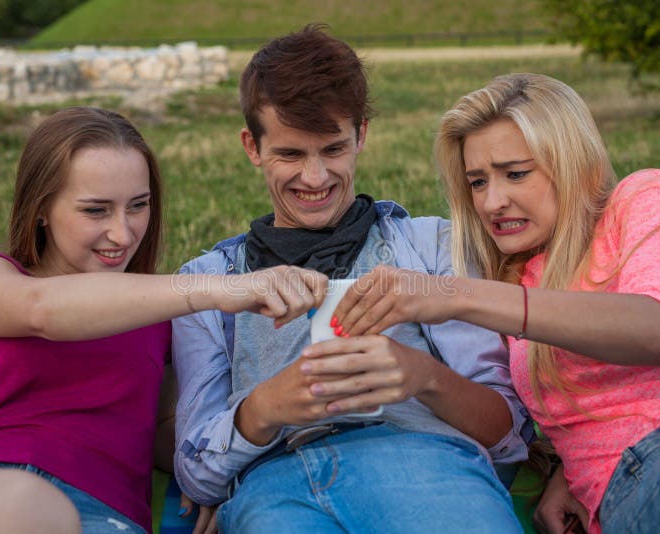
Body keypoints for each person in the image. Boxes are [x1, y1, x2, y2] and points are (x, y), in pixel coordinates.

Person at [171, 25, 531, 533]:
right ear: (252, 147)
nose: (314, 178)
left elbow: (508, 435)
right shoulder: (210, 283)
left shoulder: (430, 248)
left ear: (361, 135)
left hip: (423, 463)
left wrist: (421, 376)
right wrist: (266, 407)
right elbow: (195, 473)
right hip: (277, 484)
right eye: (290, 155)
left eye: (333, 150)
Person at [331, 73, 660, 534]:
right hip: (645, 485)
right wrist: (566, 465)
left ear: (572, 163)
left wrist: (456, 295)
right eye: (477, 182)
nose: (493, 201)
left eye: (516, 173)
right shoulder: (508, 279)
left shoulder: (642, 200)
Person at [0, 106, 326, 534]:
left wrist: (215, 482)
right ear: (40, 209)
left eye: (138, 205)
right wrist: (218, 288)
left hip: (104, 518)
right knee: (21, 502)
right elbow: (38, 309)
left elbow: (181, 436)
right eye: (96, 210)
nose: (124, 233)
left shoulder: (159, 325)